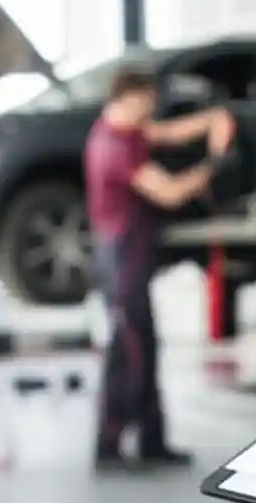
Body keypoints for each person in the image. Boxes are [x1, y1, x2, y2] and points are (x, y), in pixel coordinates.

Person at [84, 65, 235, 470]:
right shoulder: (114, 147)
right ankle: (110, 446)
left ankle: (152, 441)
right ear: (129, 98)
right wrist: (209, 171)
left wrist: (212, 120)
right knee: (129, 352)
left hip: (127, 254)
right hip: (121, 257)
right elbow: (167, 193)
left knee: (145, 347)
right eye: (147, 103)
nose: (151, 111)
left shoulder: (122, 129)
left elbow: (167, 133)